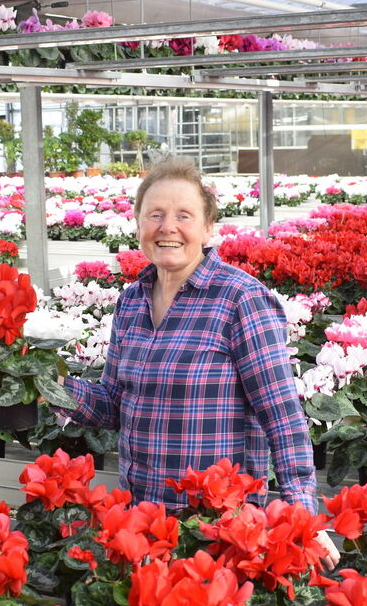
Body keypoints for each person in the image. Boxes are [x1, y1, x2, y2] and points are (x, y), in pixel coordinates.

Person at [61, 160, 339, 568]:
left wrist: (302, 516)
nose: (167, 227)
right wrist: (50, 384)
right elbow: (113, 405)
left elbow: (282, 418)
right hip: (144, 525)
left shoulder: (241, 299)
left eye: (184, 216)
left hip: (216, 530)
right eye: (155, 215)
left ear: (208, 228)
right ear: (138, 225)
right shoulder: (132, 301)